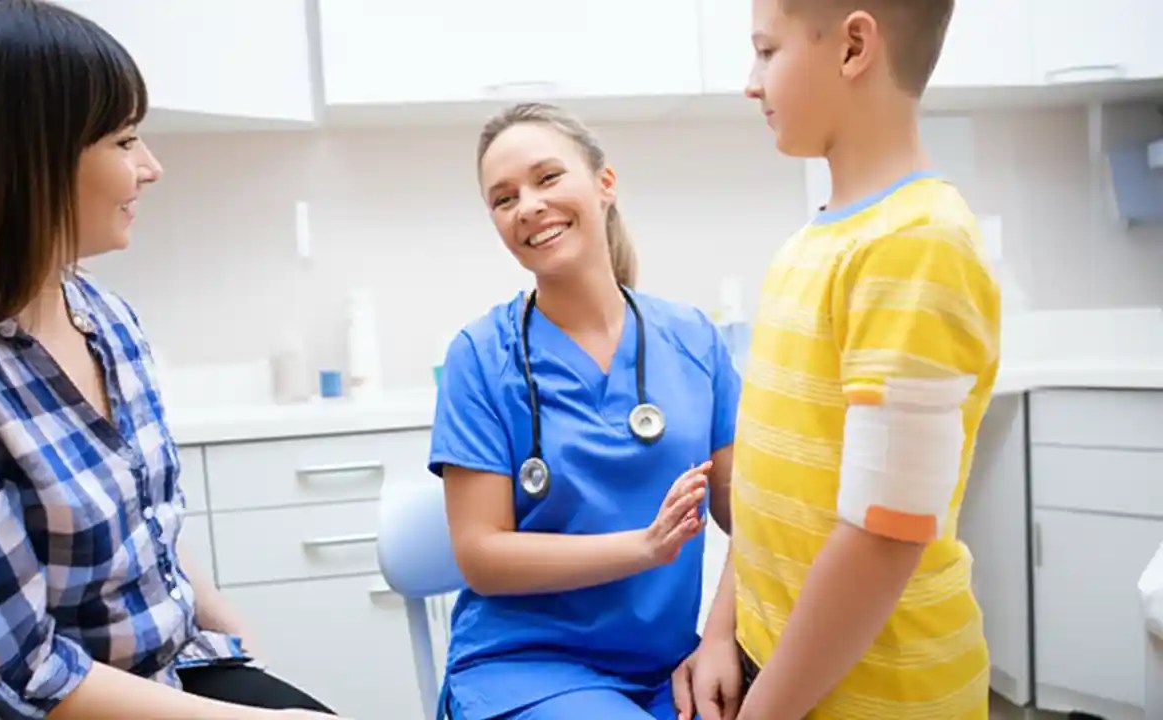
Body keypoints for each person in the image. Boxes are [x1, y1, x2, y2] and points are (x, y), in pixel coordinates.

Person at [0, 2, 340, 718]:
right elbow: (21, 678)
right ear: (20, 160)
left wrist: (225, 628)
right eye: (125, 141)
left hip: (161, 673)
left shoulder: (102, 316)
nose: (151, 167)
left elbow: (144, 528)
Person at [687, 1, 1002, 719]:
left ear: (855, 46)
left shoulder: (919, 243)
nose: (751, 81)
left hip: (884, 695)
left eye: (767, 52)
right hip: (795, 676)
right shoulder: (813, 244)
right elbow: (767, 485)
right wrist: (722, 633)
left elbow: (881, 538)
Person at [427, 101, 741, 720]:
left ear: (604, 184)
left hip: (667, 665)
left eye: (547, 178)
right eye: (504, 198)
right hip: (525, 671)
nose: (529, 206)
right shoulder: (480, 358)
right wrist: (645, 547)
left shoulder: (693, 339)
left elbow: (754, 517)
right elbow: (481, 556)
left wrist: (722, 638)